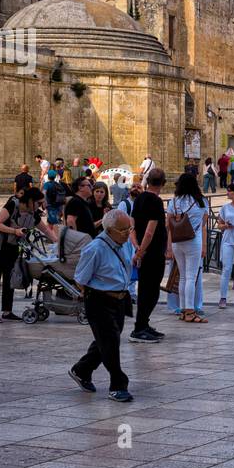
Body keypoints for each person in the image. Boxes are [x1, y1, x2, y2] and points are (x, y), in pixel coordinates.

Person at [70, 208, 136, 403]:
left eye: (129, 228)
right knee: (110, 342)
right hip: (99, 299)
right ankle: (118, 384)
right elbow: (80, 279)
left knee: (107, 340)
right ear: (109, 230)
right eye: (123, 230)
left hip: (120, 299)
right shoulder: (95, 248)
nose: (127, 233)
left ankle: (81, 370)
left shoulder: (124, 244)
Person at [0, 186, 54, 323]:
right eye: (39, 203)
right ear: (31, 201)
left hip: (11, 247)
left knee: (10, 278)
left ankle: (7, 311)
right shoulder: (12, 205)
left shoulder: (33, 214)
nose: (41, 206)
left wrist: (58, 242)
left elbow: (45, 230)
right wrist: (15, 231)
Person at [130, 167, 168, 341]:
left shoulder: (139, 199)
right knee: (151, 291)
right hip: (152, 253)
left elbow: (132, 225)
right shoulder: (155, 202)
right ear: (163, 184)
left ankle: (144, 323)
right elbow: (149, 232)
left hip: (143, 250)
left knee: (146, 289)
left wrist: (137, 247)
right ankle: (139, 328)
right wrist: (141, 251)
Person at [168, 171, 209, 322]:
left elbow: (169, 224)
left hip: (177, 241)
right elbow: (204, 223)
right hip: (193, 240)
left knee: (183, 277)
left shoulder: (173, 202)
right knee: (191, 277)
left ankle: (183, 310)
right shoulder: (201, 201)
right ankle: (191, 311)